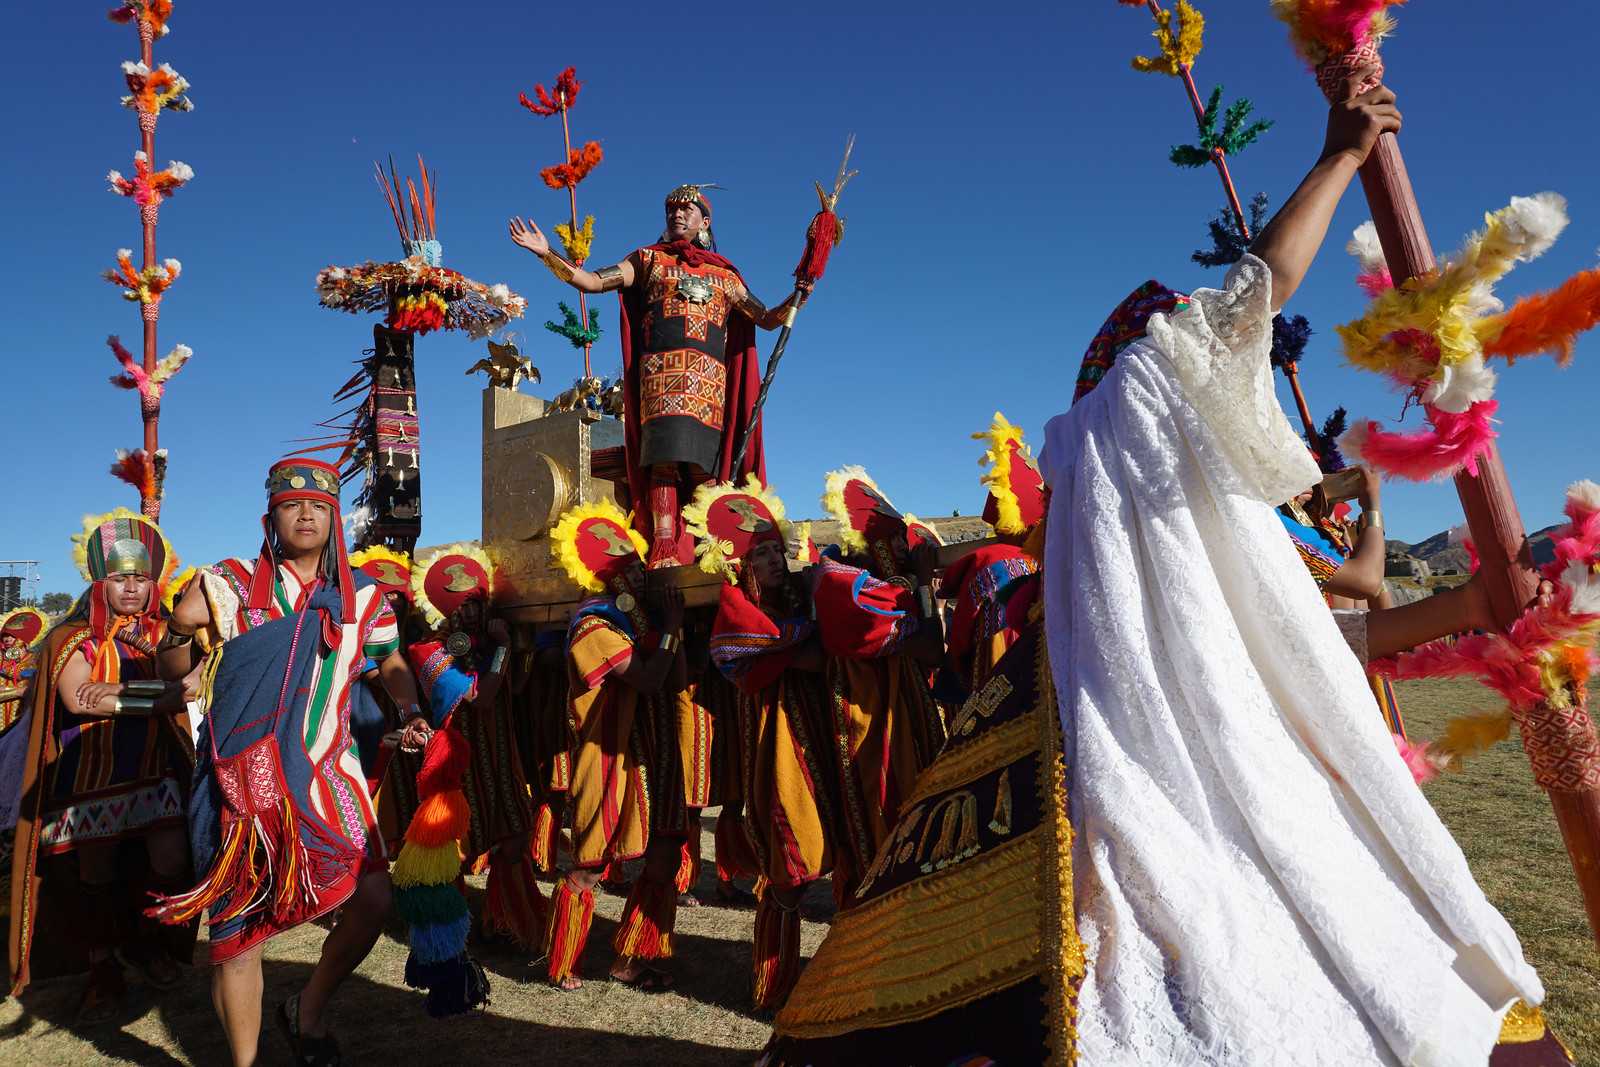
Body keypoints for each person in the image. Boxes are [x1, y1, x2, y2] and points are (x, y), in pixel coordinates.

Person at [1036, 71, 1564, 1063]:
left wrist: (1469, 601)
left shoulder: (1204, 548)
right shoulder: (1124, 462)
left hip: (1274, 818)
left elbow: (1318, 643)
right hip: (1200, 844)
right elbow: (1241, 306)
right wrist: (1341, 157)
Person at [153, 458, 421, 1067]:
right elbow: (173, 670)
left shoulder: (368, 597)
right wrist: (175, 628)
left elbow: (390, 663)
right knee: (240, 935)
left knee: (375, 895)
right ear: (270, 516)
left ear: (334, 519)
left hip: (330, 768)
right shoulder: (228, 582)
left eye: (319, 505)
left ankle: (308, 1009)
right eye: (291, 504)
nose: (306, 513)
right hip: (246, 775)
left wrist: (407, 712)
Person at [509, 185, 807, 567]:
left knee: (704, 468)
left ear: (705, 220)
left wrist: (800, 294)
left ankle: (709, 547)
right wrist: (546, 253)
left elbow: (765, 320)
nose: (677, 216)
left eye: (686, 210)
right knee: (663, 464)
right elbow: (592, 282)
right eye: (671, 210)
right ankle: (665, 550)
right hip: (659, 379)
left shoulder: (726, 276)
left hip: (708, 383)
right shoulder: (647, 260)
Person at [7, 510, 195, 1021]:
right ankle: (102, 963)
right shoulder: (71, 635)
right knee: (97, 871)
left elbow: (197, 682)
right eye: (120, 578)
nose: (131, 588)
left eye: (140, 577)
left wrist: (121, 692)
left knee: (172, 859)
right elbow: (79, 701)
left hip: (157, 769)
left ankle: (150, 944)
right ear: (100, 581)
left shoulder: (167, 635)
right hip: (92, 773)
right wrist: (161, 696)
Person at [692, 477, 837, 1009]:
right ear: (739, 566)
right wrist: (799, 644)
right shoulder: (735, 617)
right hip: (776, 749)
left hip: (823, 741)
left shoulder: (806, 605)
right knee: (789, 866)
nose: (775, 560)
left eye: (777, 549)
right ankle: (775, 982)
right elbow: (794, 658)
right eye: (761, 554)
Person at [544, 500, 689, 991]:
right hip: (608, 758)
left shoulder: (642, 621)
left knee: (666, 854)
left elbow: (675, 679)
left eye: (636, 563)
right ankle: (564, 959)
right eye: (624, 568)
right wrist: (669, 630)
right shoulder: (594, 626)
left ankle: (631, 956)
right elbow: (647, 681)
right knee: (591, 864)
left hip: (656, 752)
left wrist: (672, 630)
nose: (635, 573)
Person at [394, 543, 542, 954]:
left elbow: (514, 688)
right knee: (455, 852)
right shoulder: (426, 650)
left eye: (481, 603)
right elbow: (482, 698)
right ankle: (448, 935)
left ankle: (504, 922)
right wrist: (502, 650)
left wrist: (520, 648)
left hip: (499, 754)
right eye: (466, 606)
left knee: (513, 837)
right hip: (456, 762)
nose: (475, 613)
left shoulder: (484, 643)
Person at [0, 608, 47, 733]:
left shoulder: (36, 659)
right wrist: (18, 692)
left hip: (22, 721)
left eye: (12, 635)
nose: (7, 639)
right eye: (5, 635)